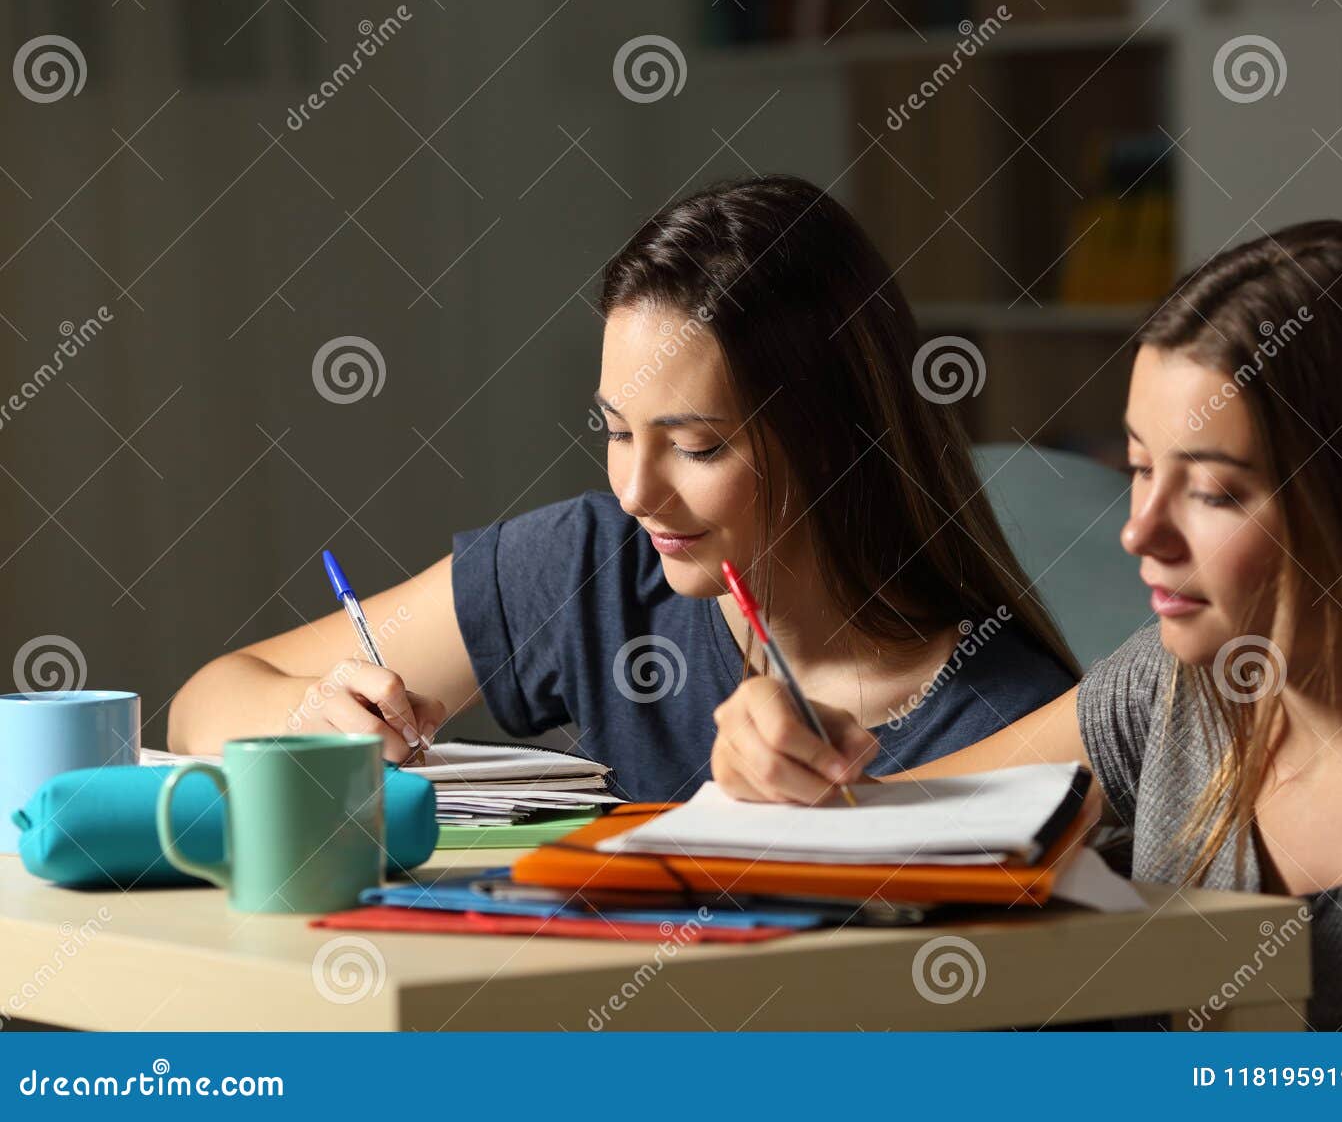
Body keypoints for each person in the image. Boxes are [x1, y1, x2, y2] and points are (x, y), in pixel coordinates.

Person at [710, 221, 1342, 1030]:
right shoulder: (1175, 692)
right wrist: (776, 762)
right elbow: (870, 828)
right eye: (1138, 468)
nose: (1140, 529)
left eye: (1213, 489)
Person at [169, 174, 1078, 803]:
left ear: (836, 439)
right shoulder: (596, 564)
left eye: (696, 446)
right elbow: (203, 704)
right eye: (613, 431)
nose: (636, 490)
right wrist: (312, 725)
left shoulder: (1004, 715)